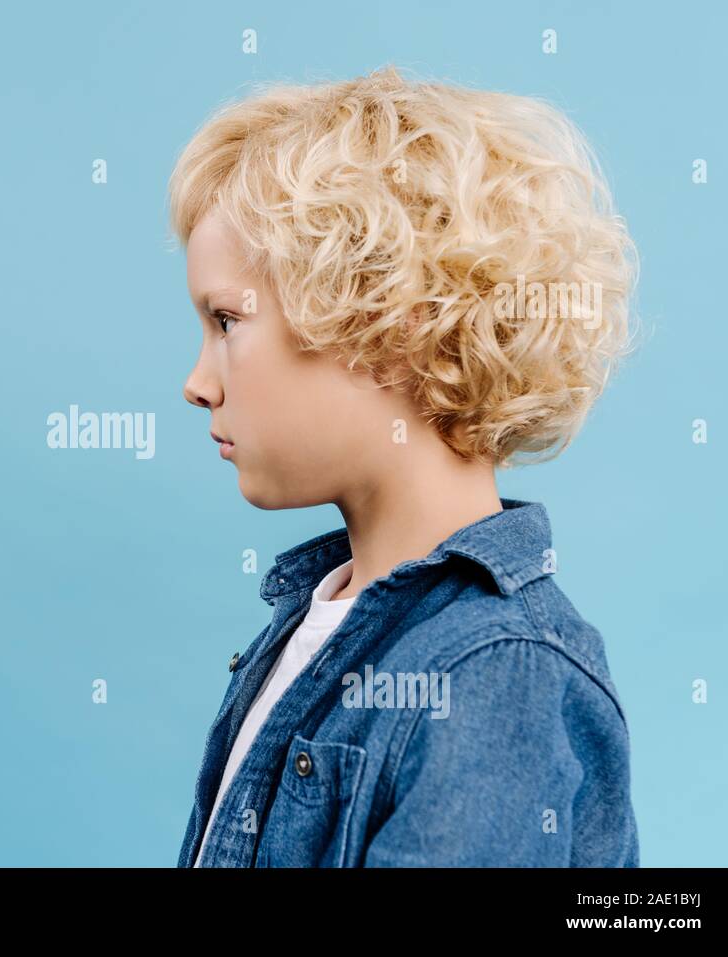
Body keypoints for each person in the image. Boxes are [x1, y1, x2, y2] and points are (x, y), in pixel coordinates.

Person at [169, 66, 640, 867]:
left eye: (226, 322)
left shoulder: (492, 675)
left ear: (387, 326)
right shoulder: (312, 623)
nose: (197, 382)